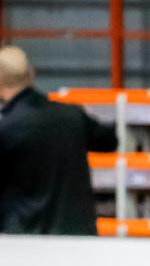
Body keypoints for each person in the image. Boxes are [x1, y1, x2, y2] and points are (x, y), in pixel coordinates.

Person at [0, 46, 114, 236]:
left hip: (23, 237)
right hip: (77, 234)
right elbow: (109, 141)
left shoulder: (6, 127)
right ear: (31, 75)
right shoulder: (72, 115)